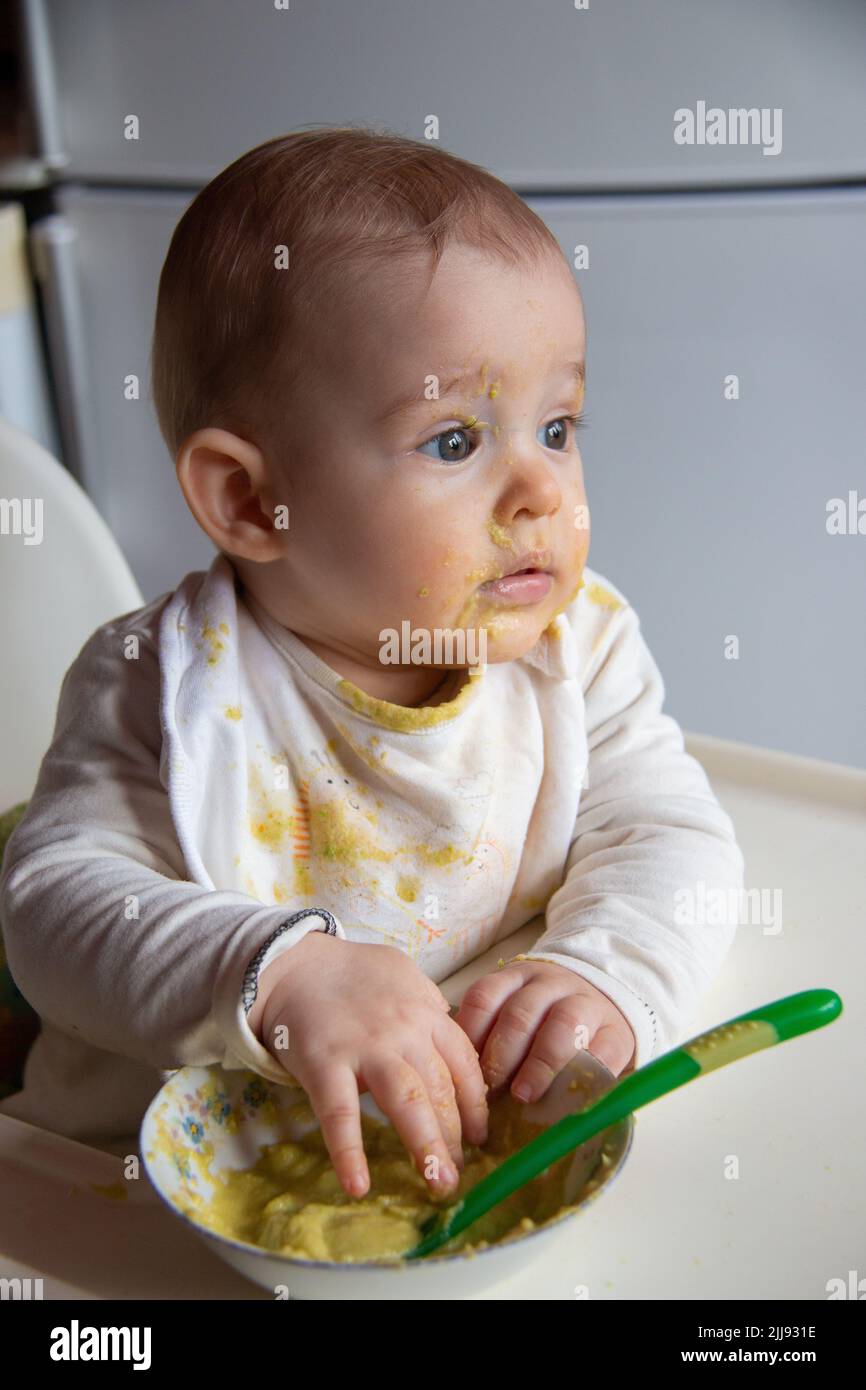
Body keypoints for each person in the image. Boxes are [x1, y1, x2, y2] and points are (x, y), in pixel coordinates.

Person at [0, 127, 744, 1198]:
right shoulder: (158, 683)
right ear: (254, 501)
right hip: (138, 1195)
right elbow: (56, 908)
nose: (540, 491)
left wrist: (604, 975)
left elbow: (668, 834)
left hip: (444, 1166)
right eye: (454, 440)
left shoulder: (574, 650)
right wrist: (278, 972)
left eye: (557, 425)